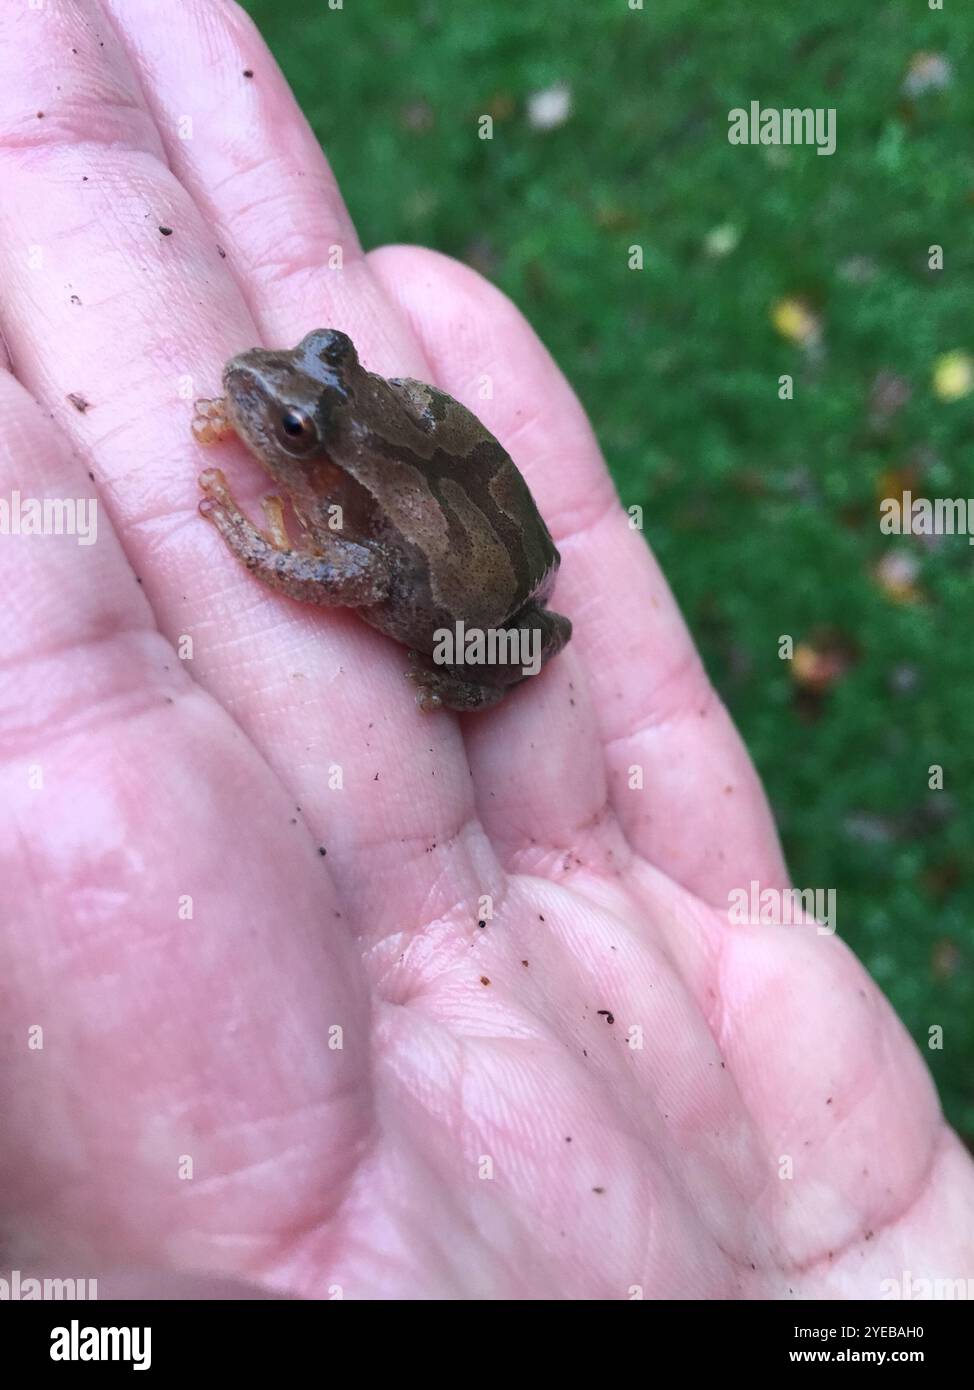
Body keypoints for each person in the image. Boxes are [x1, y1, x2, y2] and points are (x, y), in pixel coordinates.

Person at [0, 0, 969, 1299]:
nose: (281, 386)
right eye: (298, 396)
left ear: (330, 432)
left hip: (465, 612)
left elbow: (337, 565)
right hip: (488, 542)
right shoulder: (355, 417)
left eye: (296, 417)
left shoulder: (351, 481)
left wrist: (244, 517)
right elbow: (381, 467)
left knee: (425, 635)